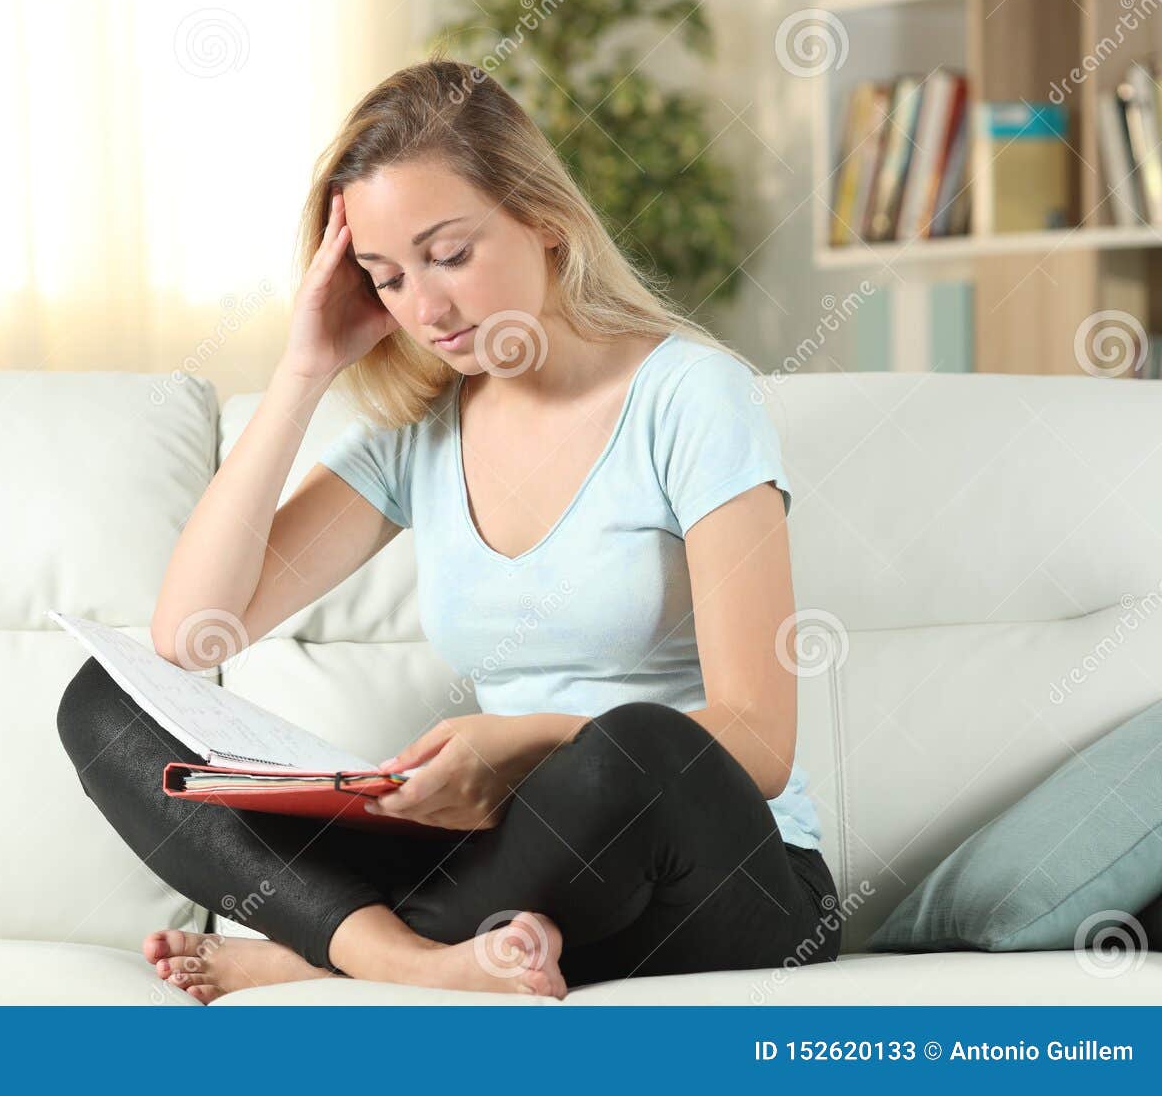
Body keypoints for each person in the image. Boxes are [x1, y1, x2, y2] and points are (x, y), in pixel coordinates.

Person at [57, 57, 839, 1004]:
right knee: (107, 704)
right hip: (500, 857)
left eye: (449, 254)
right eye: (385, 278)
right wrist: (305, 369)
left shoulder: (692, 397)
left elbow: (756, 740)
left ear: (544, 220)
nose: (424, 308)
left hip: (714, 866)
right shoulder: (421, 430)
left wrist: (515, 742)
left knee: (638, 746)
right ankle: (428, 961)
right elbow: (191, 636)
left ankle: (329, 949)